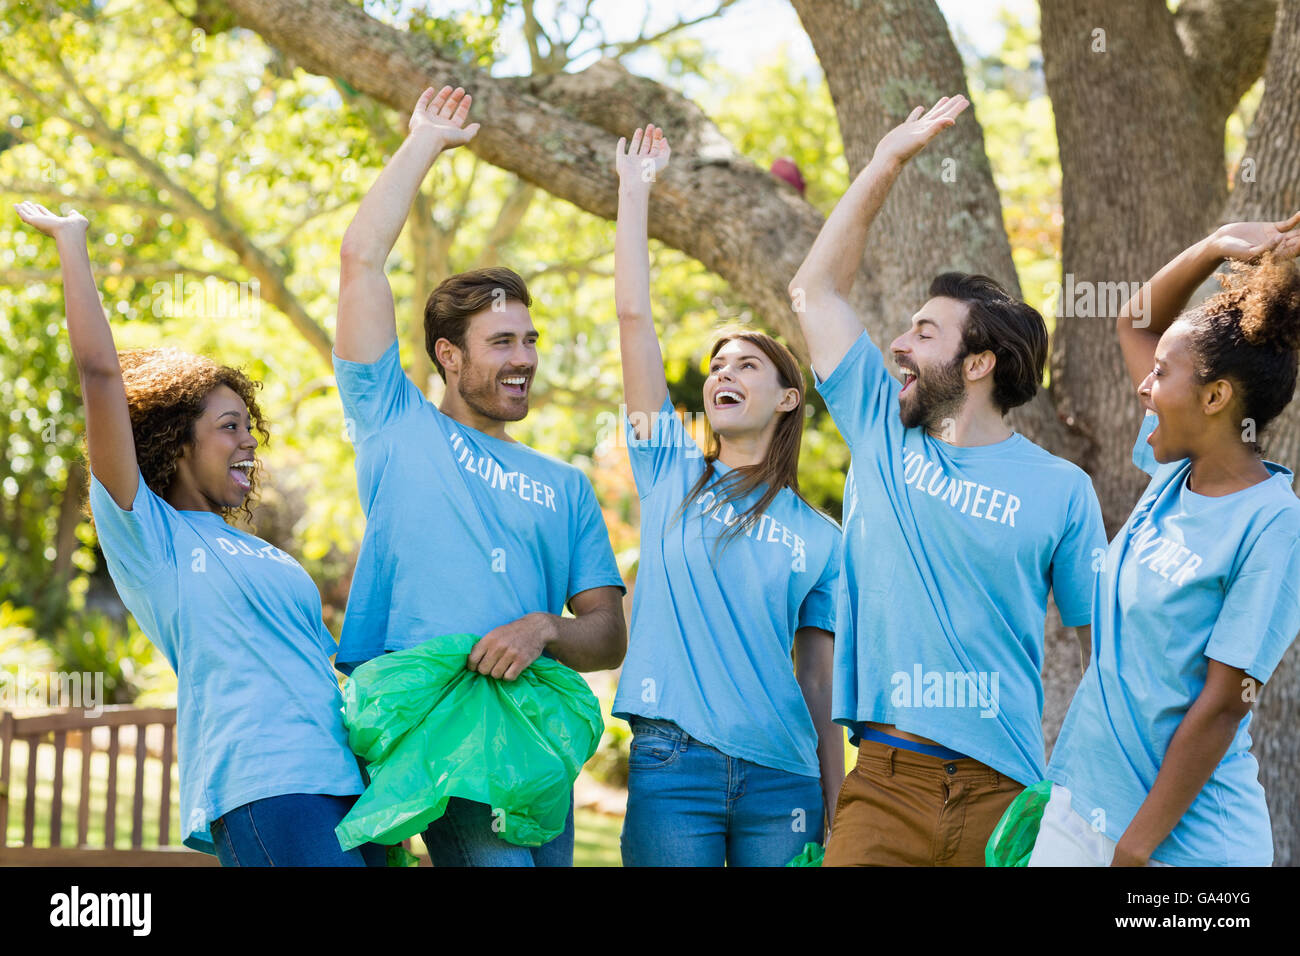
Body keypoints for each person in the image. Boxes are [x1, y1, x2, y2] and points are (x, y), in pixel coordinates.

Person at [786, 96, 1106, 866]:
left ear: (978, 363)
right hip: (885, 785)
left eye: (924, 332)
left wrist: (1077, 796)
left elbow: (1106, 654)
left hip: (1007, 795)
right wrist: (886, 161)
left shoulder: (1063, 489)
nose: (899, 343)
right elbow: (815, 293)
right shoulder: (881, 431)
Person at [14, 201, 381, 867]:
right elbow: (100, 375)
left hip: (350, 789)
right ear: (175, 441)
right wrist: (72, 241)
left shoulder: (266, 553)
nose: (249, 443)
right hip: (268, 785)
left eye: (250, 427)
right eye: (228, 427)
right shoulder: (150, 537)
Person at [331, 86, 627, 867]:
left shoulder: (564, 485)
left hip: (534, 741)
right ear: (449, 356)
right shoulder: (394, 422)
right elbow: (360, 260)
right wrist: (424, 141)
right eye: (502, 342)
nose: (524, 358)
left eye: (530, 339)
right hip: (438, 732)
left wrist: (545, 628)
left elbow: (608, 633)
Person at [1030, 215, 1300, 867]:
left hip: (1186, 847)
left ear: (1215, 396)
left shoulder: (1274, 525)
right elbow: (1135, 323)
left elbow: (1224, 704)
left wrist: (1135, 848)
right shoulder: (1172, 475)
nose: (1144, 388)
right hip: (1080, 806)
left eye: (1161, 374)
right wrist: (1214, 246)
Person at [609, 126, 843, 866]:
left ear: (787, 398)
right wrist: (635, 190)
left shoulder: (824, 538)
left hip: (786, 779)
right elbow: (633, 319)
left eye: (745, 365)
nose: (722, 375)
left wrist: (835, 805)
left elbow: (818, 682)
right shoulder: (669, 469)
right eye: (716, 367)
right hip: (674, 765)